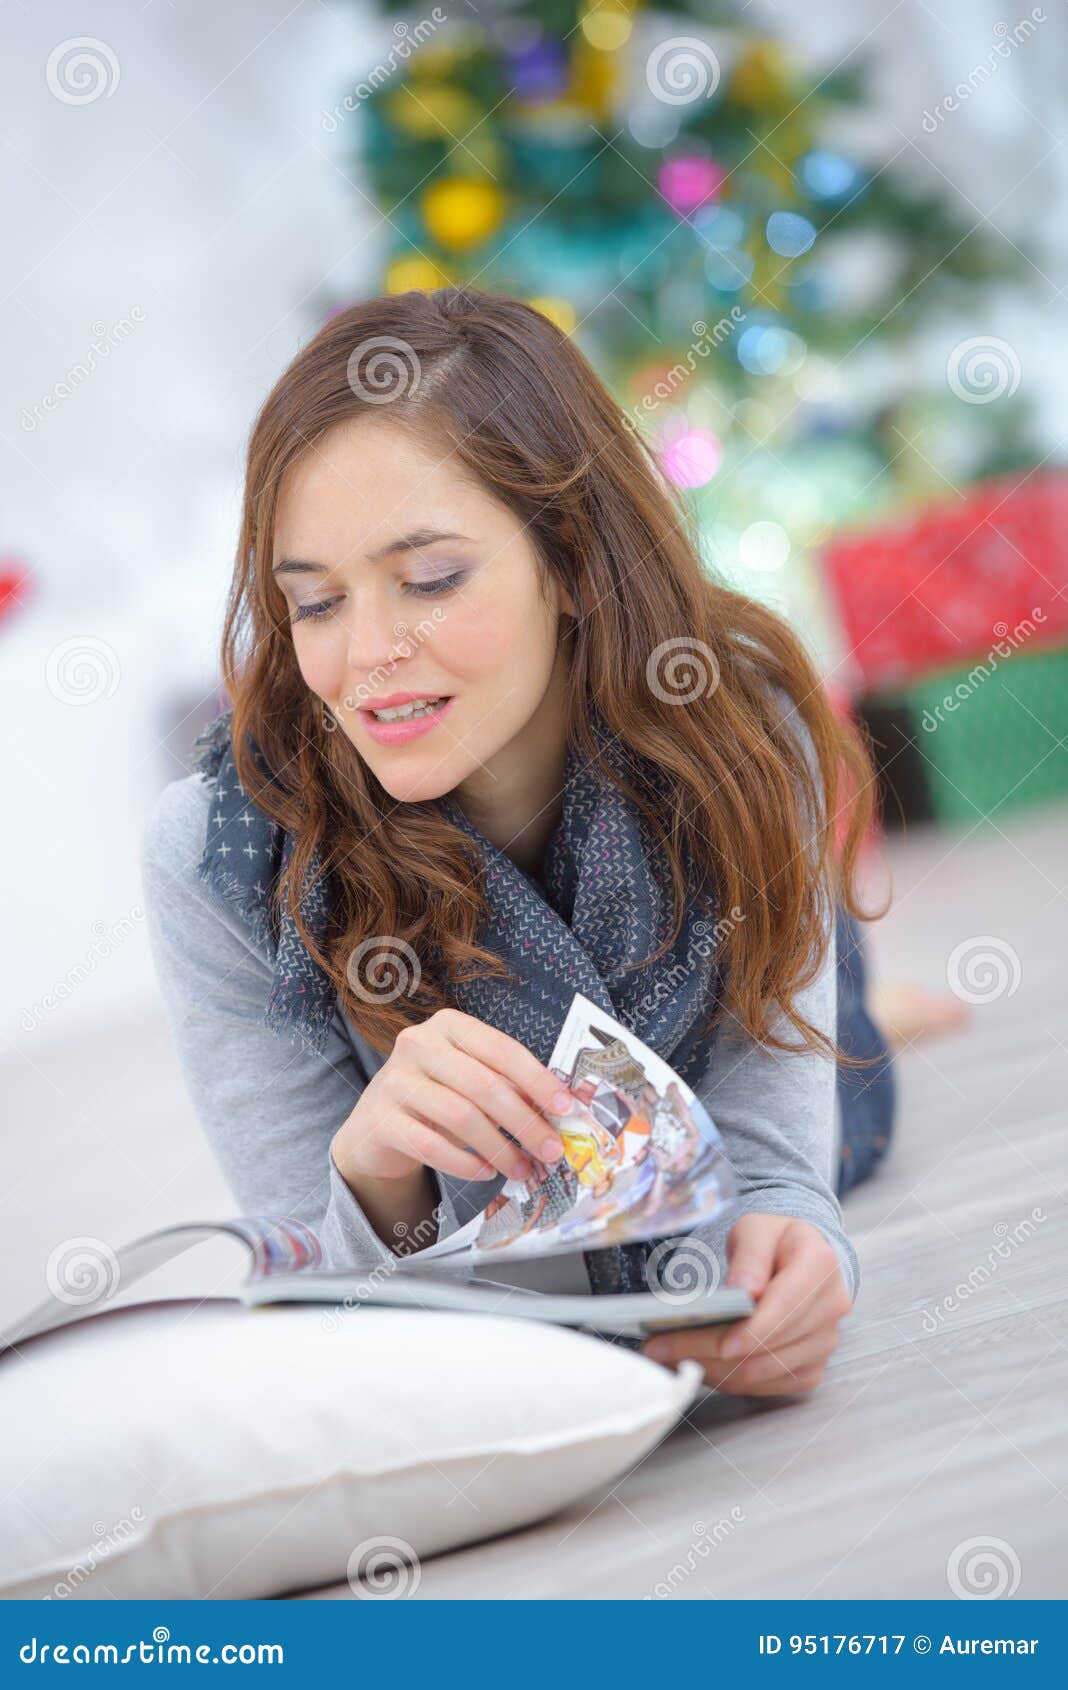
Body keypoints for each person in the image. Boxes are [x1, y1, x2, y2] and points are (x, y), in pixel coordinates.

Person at [143, 286, 901, 1399]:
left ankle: (871, 986)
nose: (366, 655)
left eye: (432, 580)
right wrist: (377, 1179)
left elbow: (780, 1166)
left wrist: (801, 1244)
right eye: (313, 604)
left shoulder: (737, 730)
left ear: (574, 561)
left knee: (862, 1081)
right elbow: (321, 1317)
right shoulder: (218, 857)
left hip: (742, 948)